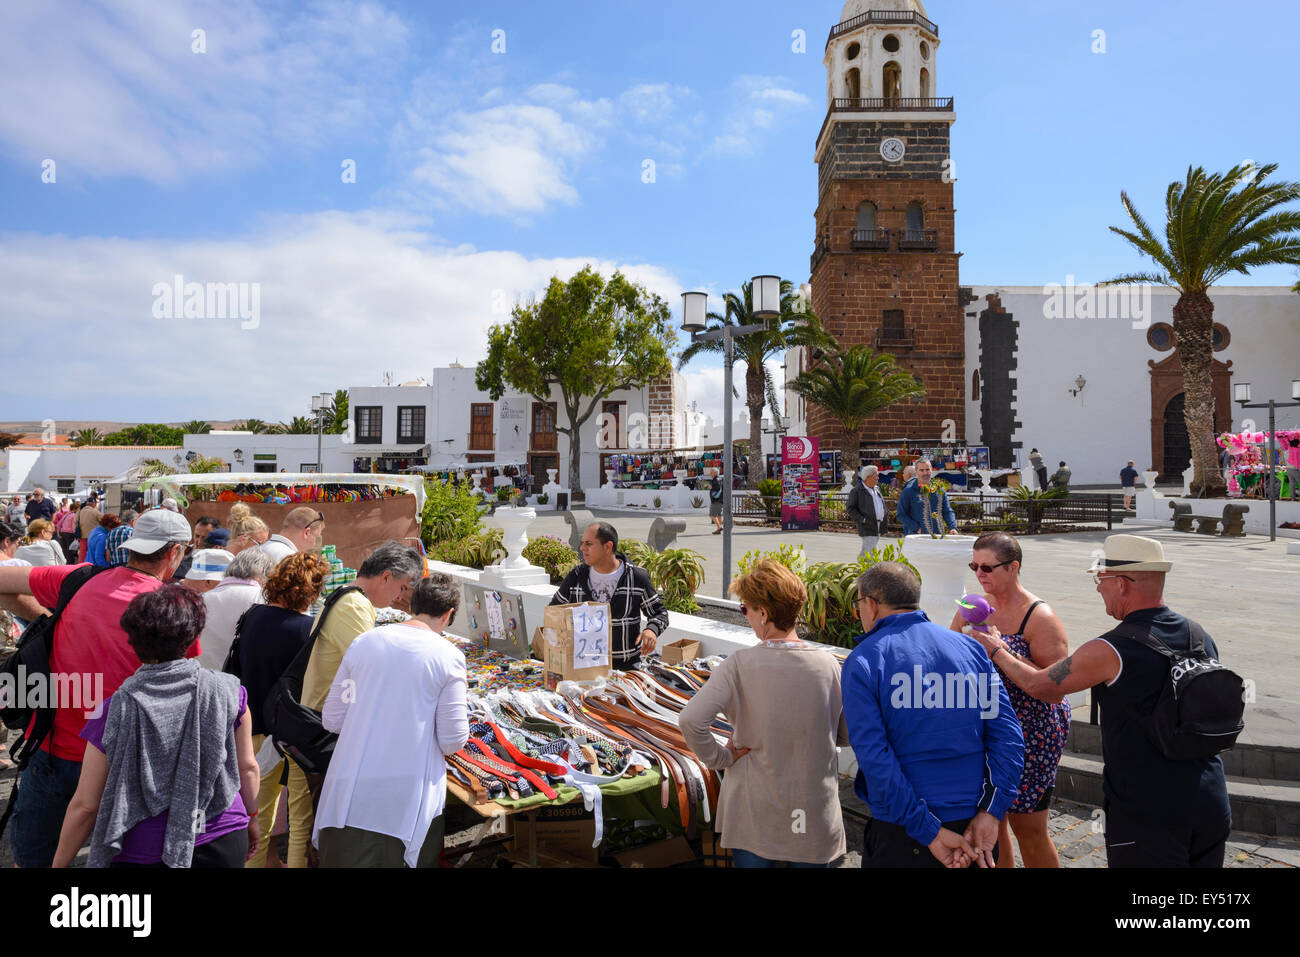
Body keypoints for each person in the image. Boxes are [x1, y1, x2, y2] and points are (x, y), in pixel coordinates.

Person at [965, 534, 1231, 868]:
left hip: (1148, 803)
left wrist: (995, 648)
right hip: (1209, 793)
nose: (1097, 588)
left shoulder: (1109, 649)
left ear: (1121, 584)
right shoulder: (1198, 633)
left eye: (1100, 579)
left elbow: (1042, 686)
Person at [0, 508, 199, 867]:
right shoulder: (173, 612)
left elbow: (4, 580)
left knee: (31, 860)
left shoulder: (78, 579)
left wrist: (48, 619)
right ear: (174, 552)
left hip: (52, 748)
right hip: (128, 761)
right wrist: (50, 620)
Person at [51, 586, 261, 867]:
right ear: (192, 636)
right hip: (222, 832)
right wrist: (252, 817)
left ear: (133, 641)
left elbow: (86, 804)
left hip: (146, 849)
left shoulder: (117, 709)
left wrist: (59, 863)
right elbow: (247, 767)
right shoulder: (229, 692)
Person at [843, 562, 1024, 868]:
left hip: (903, 830)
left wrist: (927, 830)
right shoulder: (972, 650)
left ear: (871, 605)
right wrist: (991, 812)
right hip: (973, 827)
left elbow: (874, 756)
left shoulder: (865, 660)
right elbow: (1007, 735)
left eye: (858, 604)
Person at [679, 560, 849, 867]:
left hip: (756, 809)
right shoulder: (829, 664)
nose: (746, 617)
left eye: (746, 609)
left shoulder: (739, 665)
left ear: (764, 613)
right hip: (811, 807)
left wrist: (722, 758)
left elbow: (691, 720)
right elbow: (845, 734)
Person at [314, 573, 469, 867]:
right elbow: (452, 740)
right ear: (448, 615)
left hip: (349, 793)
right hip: (404, 798)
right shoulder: (448, 657)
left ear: (411, 604)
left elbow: (333, 718)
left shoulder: (363, 643)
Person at [288, 541, 425, 868]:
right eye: (402, 587)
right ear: (387, 577)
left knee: (302, 823)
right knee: (315, 828)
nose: (400, 597)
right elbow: (372, 671)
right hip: (322, 730)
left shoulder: (345, 596)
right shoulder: (356, 606)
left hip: (309, 721)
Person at [947, 532, 1071, 868]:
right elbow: (950, 659)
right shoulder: (971, 605)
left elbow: (1055, 688)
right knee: (991, 826)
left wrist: (1000, 650)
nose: (979, 574)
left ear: (1013, 567)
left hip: (1031, 733)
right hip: (983, 730)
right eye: (974, 566)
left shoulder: (1039, 616)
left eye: (988, 567)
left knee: (1028, 828)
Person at [237, 551, 329, 869]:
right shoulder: (307, 629)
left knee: (258, 817)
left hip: (253, 726)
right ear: (311, 591)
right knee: (300, 817)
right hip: (293, 733)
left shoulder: (252, 616)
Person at [548, 521, 669, 669]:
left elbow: (660, 613)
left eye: (589, 544)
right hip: (583, 668)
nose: (582, 548)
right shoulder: (577, 576)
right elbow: (553, 611)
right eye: (582, 543)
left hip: (626, 668)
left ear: (607, 547)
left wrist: (652, 630)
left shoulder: (636, 577)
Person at [198, 547, 272, 670]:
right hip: (243, 681)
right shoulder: (263, 599)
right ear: (262, 573)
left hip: (207, 676)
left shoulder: (204, 599)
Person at [896, 459, 957, 536]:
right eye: (921, 470)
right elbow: (901, 514)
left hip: (937, 536)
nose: (925, 473)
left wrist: (953, 527)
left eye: (927, 469)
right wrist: (916, 528)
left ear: (931, 470)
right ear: (916, 471)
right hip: (916, 537)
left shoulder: (939, 490)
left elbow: (947, 511)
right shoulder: (908, 491)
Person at [259, 507, 326, 566]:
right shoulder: (291, 560)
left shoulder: (258, 548)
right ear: (306, 532)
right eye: (316, 537)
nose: (314, 544)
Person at [846, 465, 887, 559]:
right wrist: (863, 520)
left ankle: (862, 569)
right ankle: (868, 570)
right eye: (876, 475)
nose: (878, 478)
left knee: (869, 549)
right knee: (871, 551)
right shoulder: (856, 491)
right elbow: (850, 508)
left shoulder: (877, 489)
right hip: (867, 525)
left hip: (878, 524)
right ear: (868, 477)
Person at [77, 493, 102, 562]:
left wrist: (76, 534)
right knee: (92, 550)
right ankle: (90, 564)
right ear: (93, 503)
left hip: (82, 535)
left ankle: (81, 564)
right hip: (93, 535)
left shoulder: (80, 511)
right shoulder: (96, 512)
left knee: (82, 551)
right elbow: (103, 521)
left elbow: (75, 523)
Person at [707, 468, 724, 534]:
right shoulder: (720, 479)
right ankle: (718, 529)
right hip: (720, 500)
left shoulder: (716, 480)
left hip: (716, 500)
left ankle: (719, 527)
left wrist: (711, 487)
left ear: (716, 473)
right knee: (719, 515)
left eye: (712, 472)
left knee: (711, 515)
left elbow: (717, 487)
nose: (710, 474)